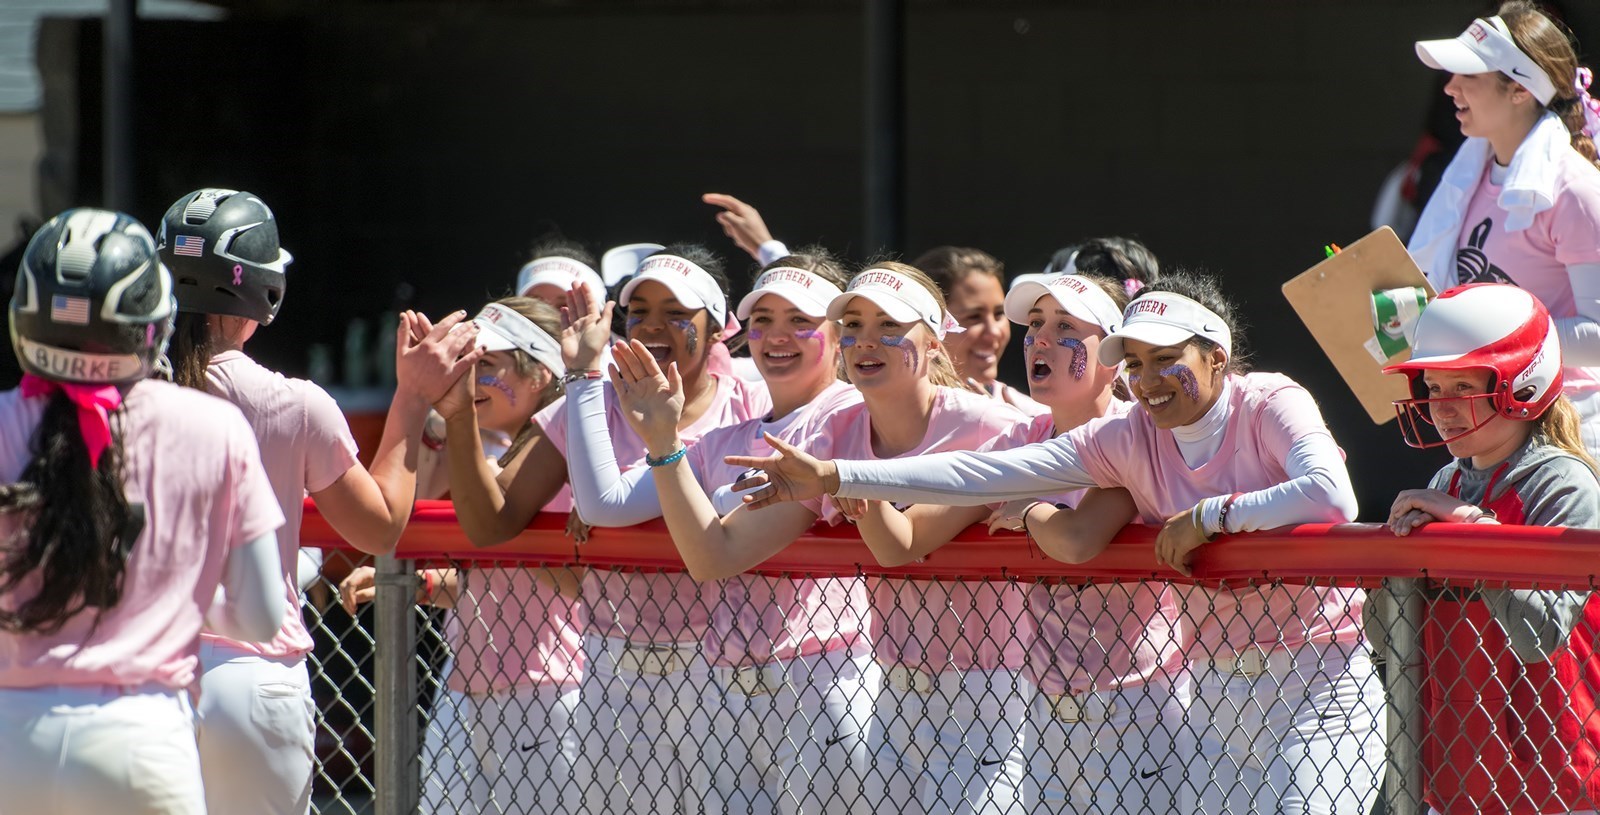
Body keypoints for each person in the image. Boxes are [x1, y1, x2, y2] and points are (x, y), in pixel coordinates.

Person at [727, 271, 1385, 814]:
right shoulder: (1128, 436)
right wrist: (840, 475)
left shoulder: (1267, 399)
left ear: (1215, 356)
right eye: (1136, 361)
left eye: (1166, 359)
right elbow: (977, 474)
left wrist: (1210, 516)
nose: (1149, 377)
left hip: (1312, 679)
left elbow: (1333, 494)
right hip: (1210, 694)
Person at [608, 261, 1030, 814]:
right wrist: (662, 440)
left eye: (889, 326)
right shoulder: (836, 432)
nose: (865, 341)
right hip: (893, 695)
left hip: (989, 693)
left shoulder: (995, 423)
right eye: (852, 326)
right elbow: (716, 556)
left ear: (932, 342)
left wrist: (1038, 501)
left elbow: (898, 546)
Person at [158, 187, 476, 815]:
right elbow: (379, 528)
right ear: (261, 290)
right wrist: (411, 399)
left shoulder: (120, 391)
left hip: (143, 673)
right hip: (252, 680)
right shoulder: (293, 402)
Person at [843, 272, 1189, 813]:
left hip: (1140, 709)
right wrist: (851, 485)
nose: (1040, 340)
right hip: (1044, 719)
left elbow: (1077, 541)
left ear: (1115, 353)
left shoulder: (1135, 433)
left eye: (1066, 327)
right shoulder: (1023, 440)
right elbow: (902, 542)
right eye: (1035, 326)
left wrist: (1027, 509)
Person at [442, 244, 770, 814]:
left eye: (676, 312)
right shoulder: (592, 394)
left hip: (730, 668)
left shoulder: (750, 395)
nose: (652, 325)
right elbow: (490, 522)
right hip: (613, 670)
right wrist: (457, 413)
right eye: (638, 310)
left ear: (717, 328)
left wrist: (614, 510)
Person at [562, 251, 870, 814]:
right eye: (764, 320)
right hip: (730, 692)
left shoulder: (847, 414)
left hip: (822, 680)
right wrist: (584, 377)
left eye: (800, 320)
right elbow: (602, 504)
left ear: (838, 333)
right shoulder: (733, 435)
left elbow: (712, 556)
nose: (778, 336)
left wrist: (662, 442)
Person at [0, 209, 286, 814]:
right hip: (142, 741)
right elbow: (261, 617)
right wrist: (163, 591)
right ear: (151, 322)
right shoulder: (213, 427)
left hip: (11, 739)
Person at [339, 296, 586, 814]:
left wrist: (464, 445)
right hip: (465, 689)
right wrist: (424, 585)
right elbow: (496, 577)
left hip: (547, 693)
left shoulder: (570, 457)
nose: (468, 378)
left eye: (487, 365)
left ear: (541, 374)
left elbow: (571, 584)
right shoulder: (493, 459)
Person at [1383, 283, 1600, 814]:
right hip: (1459, 777)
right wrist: (1389, 576)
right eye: (1434, 388)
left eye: (1463, 387)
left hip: (1557, 783)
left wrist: (1468, 533)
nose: (1443, 408)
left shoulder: (1563, 482)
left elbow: (1537, 637)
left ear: (1521, 386)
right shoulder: (1446, 481)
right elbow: (1393, 645)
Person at [1408, 1, 1600, 451]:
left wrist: (1486, 337)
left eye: (1468, 77)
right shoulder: (1467, 176)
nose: (1450, 89)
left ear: (1520, 90)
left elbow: (1597, 337)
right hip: (1490, 431)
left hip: (1569, 436)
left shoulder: (1575, 189)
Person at [914, 245, 1045, 414]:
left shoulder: (1035, 418)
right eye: (974, 317)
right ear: (928, 324)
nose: (994, 332)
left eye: (999, 314)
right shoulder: (877, 412)